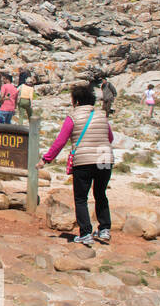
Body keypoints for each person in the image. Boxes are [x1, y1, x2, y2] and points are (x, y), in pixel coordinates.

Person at [40, 83, 114, 246]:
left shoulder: (73, 116)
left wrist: (46, 159)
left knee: (81, 198)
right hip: (104, 159)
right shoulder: (102, 115)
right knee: (100, 194)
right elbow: (110, 137)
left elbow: (61, 141)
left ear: (76, 101)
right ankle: (105, 229)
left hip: (84, 161)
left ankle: (86, 233)